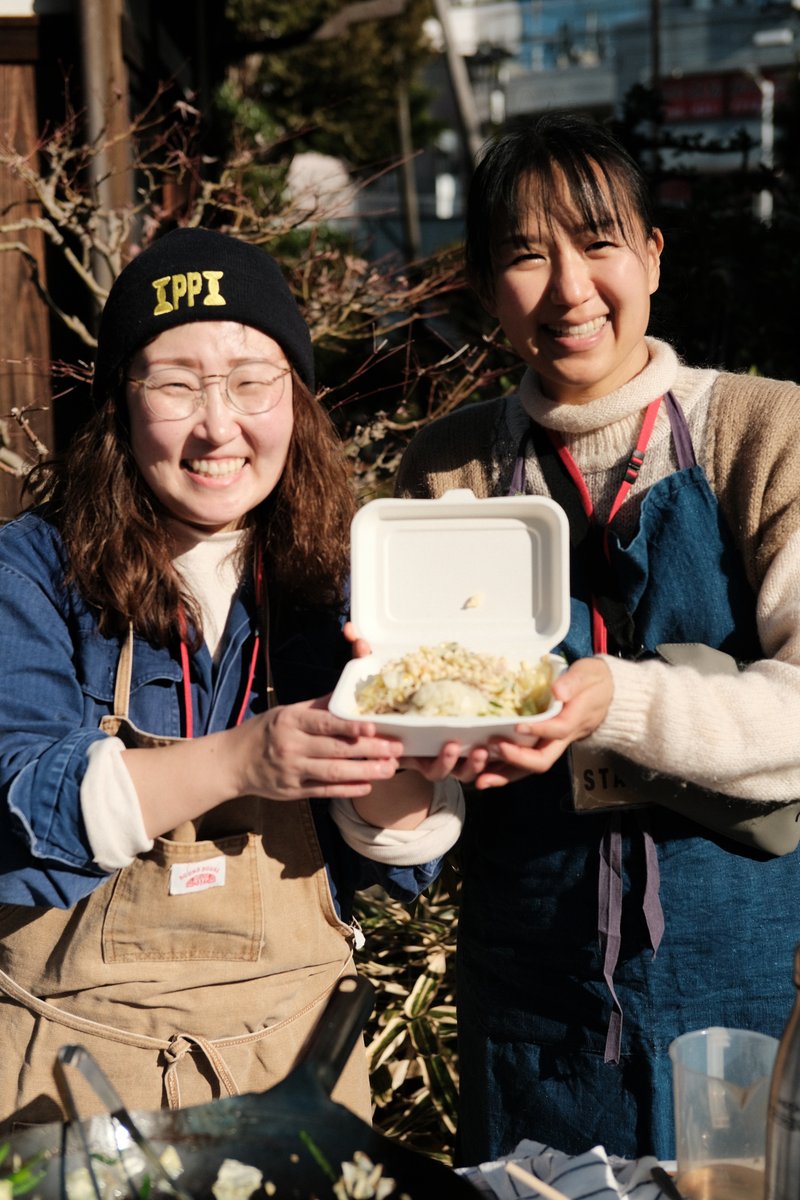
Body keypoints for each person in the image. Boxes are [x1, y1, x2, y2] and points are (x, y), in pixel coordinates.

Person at [395, 112, 800, 1164]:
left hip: (745, 967)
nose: (569, 287)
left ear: (651, 256)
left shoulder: (762, 431)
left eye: (597, 241)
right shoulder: (448, 471)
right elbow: (425, 777)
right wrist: (395, 744)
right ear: (485, 290)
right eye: (525, 255)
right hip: (529, 985)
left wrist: (609, 703)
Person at [0, 227, 464, 1134]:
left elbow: (395, 870)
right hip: (67, 1090)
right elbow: (18, 810)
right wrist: (246, 758)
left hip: (293, 1079)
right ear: (121, 405)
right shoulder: (30, 572)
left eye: (253, 381)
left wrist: (401, 750)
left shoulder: (341, 577)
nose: (220, 425)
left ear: (295, 398)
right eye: (178, 384)